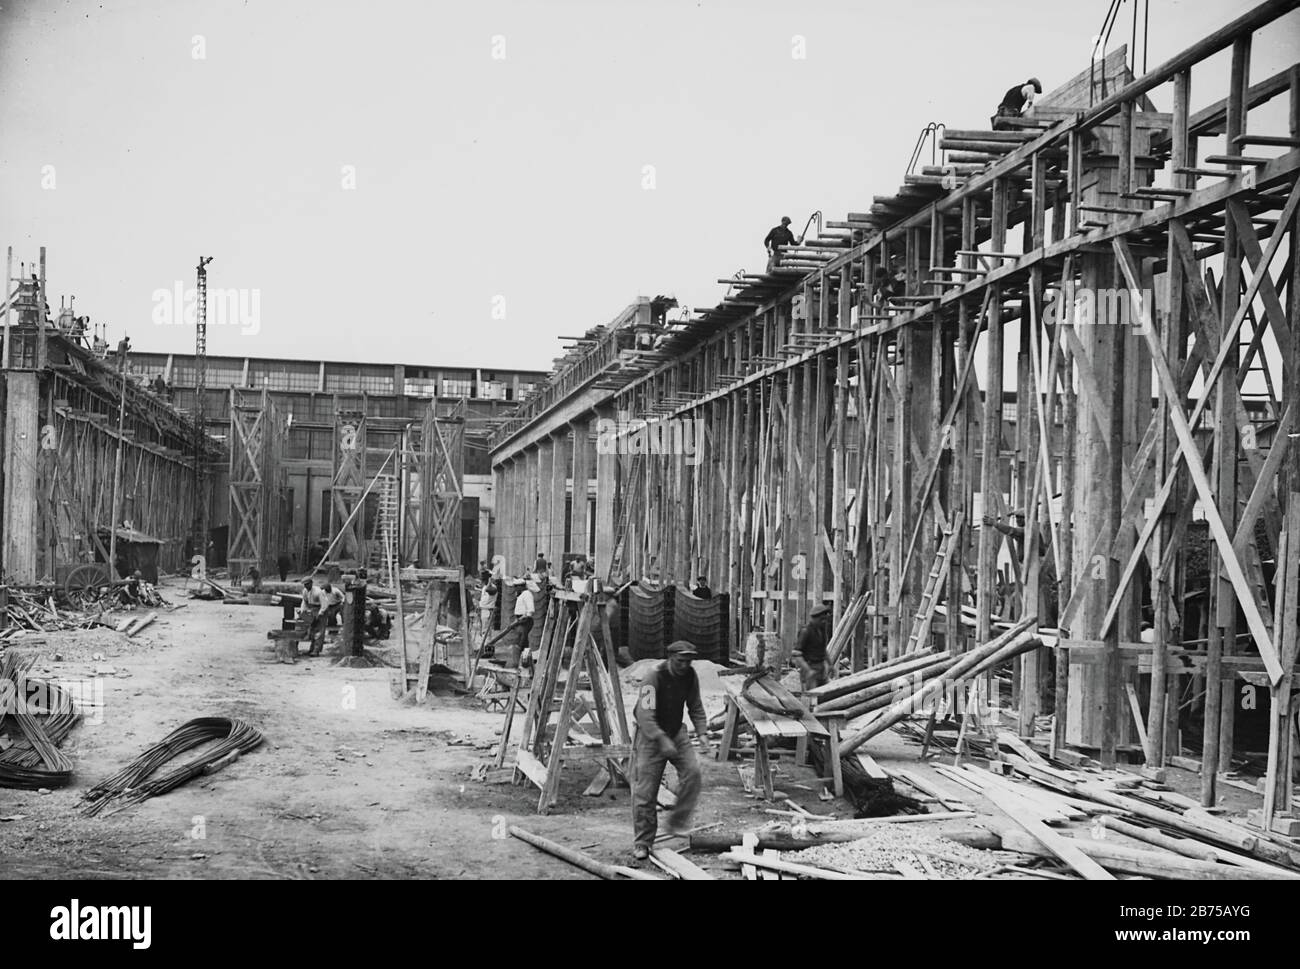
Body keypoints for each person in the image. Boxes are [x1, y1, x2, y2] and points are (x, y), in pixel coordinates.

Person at [631, 641, 711, 861]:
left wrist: (702, 733)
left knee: (693, 773)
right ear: (670, 658)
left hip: (675, 731)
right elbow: (645, 716)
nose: (684, 665)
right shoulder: (653, 677)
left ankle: (677, 822)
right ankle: (643, 842)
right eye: (680, 661)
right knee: (645, 792)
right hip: (650, 736)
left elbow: (695, 705)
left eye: (688, 661)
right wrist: (661, 739)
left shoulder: (690, 675)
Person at [793, 603, 833, 689]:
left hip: (821, 668)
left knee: (824, 695)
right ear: (813, 618)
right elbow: (796, 654)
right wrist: (808, 670)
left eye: (825, 619)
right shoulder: (805, 631)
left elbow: (823, 650)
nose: (824, 622)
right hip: (810, 667)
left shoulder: (822, 630)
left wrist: (830, 664)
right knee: (812, 698)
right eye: (821, 619)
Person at [511, 578, 538, 668]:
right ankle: (524, 662)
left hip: (525, 620)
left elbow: (530, 610)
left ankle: (518, 664)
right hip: (520, 620)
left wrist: (522, 619)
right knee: (523, 642)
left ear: (521, 586)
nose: (514, 589)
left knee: (520, 642)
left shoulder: (527, 594)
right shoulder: (521, 595)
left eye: (516, 587)